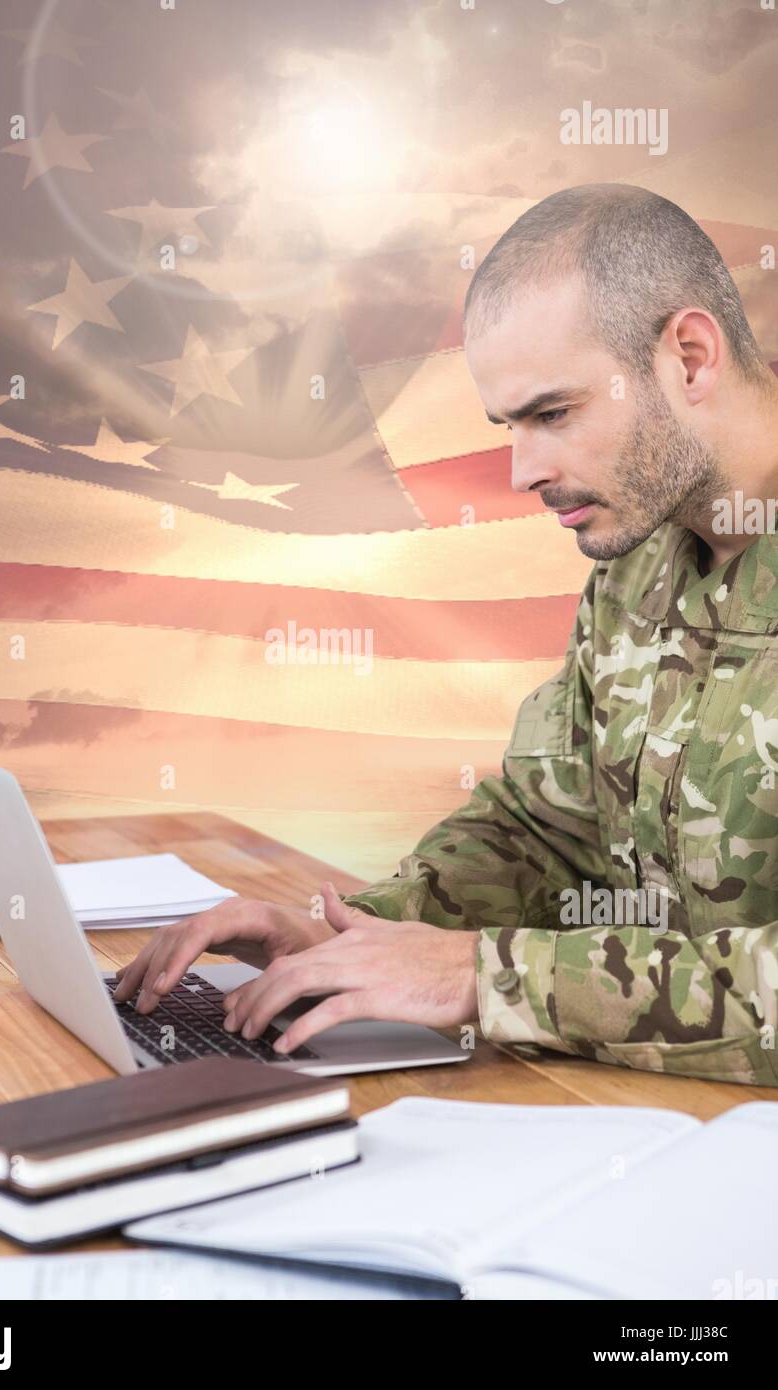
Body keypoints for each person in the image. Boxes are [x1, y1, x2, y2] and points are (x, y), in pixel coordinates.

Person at [116, 184, 778, 1085]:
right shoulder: (641, 554)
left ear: (689, 358)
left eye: (554, 413)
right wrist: (352, 930)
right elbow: (548, 828)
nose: (524, 470)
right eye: (510, 425)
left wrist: (487, 976)